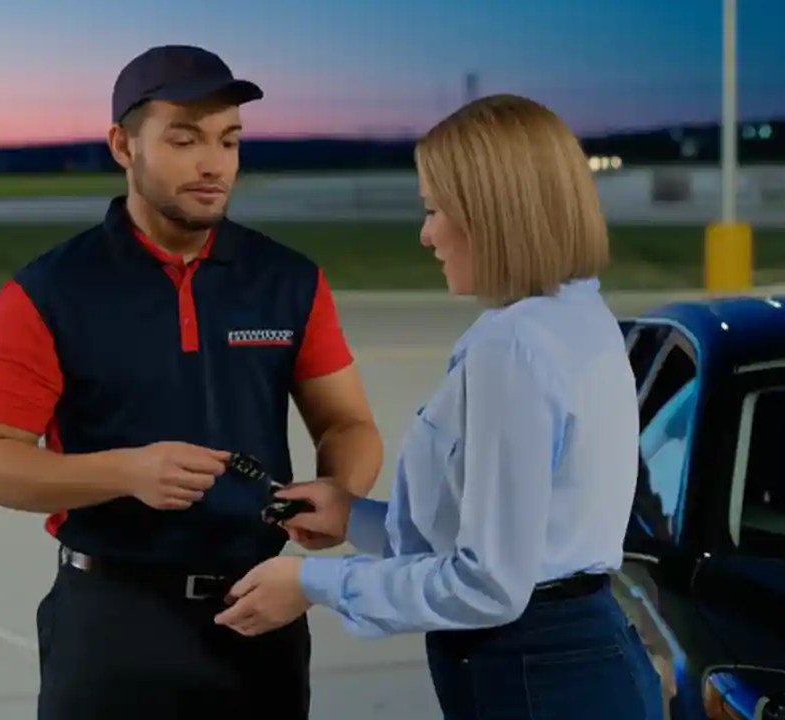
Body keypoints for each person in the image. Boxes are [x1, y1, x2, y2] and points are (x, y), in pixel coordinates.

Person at [0, 44, 384, 720]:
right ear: (123, 146)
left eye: (229, 140)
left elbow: (348, 423)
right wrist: (127, 472)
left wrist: (341, 490)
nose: (213, 163)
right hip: (110, 623)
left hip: (259, 611)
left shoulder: (288, 280)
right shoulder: (49, 291)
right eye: (184, 140)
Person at [214, 94, 665, 720]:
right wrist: (353, 517)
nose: (426, 235)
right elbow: (524, 541)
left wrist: (312, 583)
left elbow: (490, 584)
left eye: (434, 210)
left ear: (492, 214)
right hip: (577, 658)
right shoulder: (578, 316)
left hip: (534, 677)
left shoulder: (513, 347)